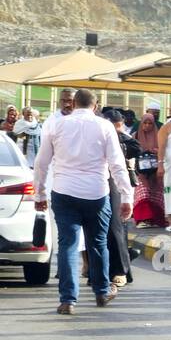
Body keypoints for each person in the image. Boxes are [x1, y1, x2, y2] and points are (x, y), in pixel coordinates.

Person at [31, 88, 132, 315]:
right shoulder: (104, 126)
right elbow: (117, 164)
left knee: (68, 245)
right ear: (95, 106)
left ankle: (68, 300)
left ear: (74, 104)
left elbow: (41, 162)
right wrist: (127, 196)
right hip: (96, 193)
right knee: (98, 244)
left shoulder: (56, 125)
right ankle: (102, 292)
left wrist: (39, 194)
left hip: (63, 192)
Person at [101, 109, 139, 288]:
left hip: (114, 182)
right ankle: (97, 272)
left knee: (115, 227)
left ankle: (119, 270)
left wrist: (119, 135)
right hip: (93, 183)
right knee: (96, 232)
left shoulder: (121, 138)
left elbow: (135, 149)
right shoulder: (95, 133)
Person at [131, 111, 165, 227]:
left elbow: (165, 150)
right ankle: (143, 219)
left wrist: (157, 151)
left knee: (155, 193)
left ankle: (155, 219)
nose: (147, 126)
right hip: (141, 171)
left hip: (156, 169)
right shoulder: (135, 135)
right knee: (144, 193)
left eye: (150, 123)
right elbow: (130, 151)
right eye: (145, 123)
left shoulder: (160, 135)